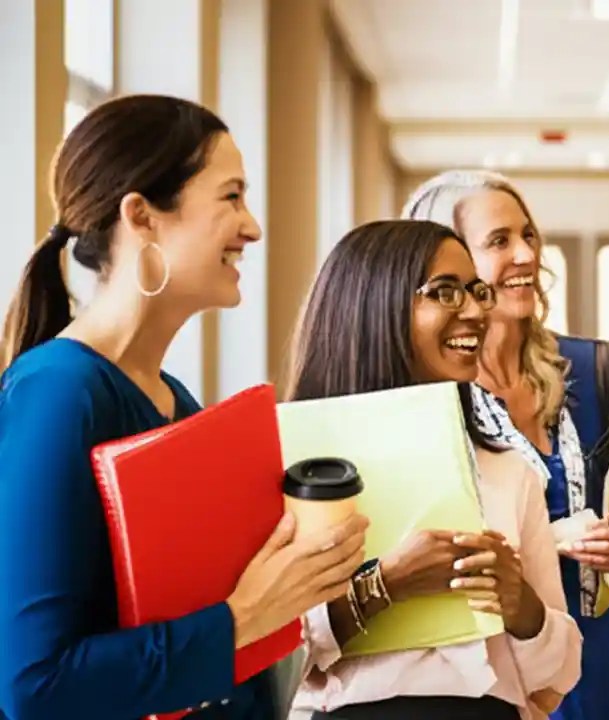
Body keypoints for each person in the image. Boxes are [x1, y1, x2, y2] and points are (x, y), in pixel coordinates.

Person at [0, 94, 367, 720]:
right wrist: (245, 617)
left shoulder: (178, 402)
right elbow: (34, 685)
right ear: (141, 216)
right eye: (231, 197)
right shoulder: (59, 393)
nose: (252, 227)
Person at [402, 171, 609, 720]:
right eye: (499, 241)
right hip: (504, 666)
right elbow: (418, 562)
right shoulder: (425, 401)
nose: (526, 253)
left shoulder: (597, 369)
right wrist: (545, 541)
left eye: (528, 235)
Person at [284, 220, 582, 720]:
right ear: (372, 307)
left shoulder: (509, 473)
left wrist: (520, 605)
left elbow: (557, 678)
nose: (474, 311)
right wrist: (385, 585)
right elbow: (263, 657)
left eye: (475, 291)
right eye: (444, 292)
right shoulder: (292, 471)